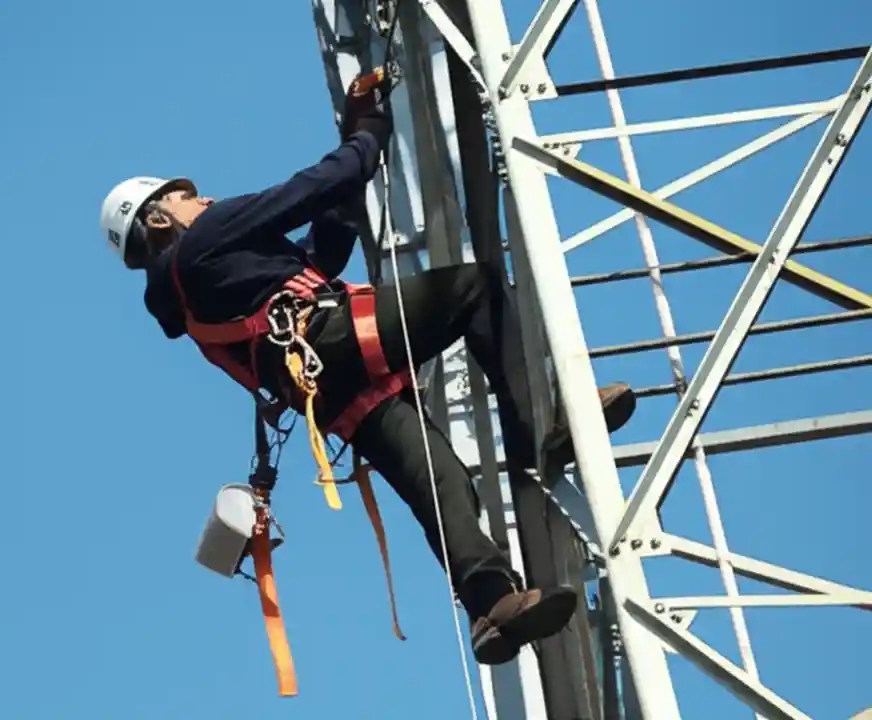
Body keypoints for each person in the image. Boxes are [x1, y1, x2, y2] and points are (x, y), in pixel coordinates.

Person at [97, 78, 638, 666]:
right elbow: (315, 186)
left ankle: (493, 605)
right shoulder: (202, 242)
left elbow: (319, 254)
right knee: (473, 290)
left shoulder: (198, 289)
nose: (201, 200)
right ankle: (538, 429)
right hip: (333, 338)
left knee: (439, 481)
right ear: (157, 220)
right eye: (185, 198)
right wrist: (366, 135)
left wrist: (349, 173)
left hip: (328, 393)